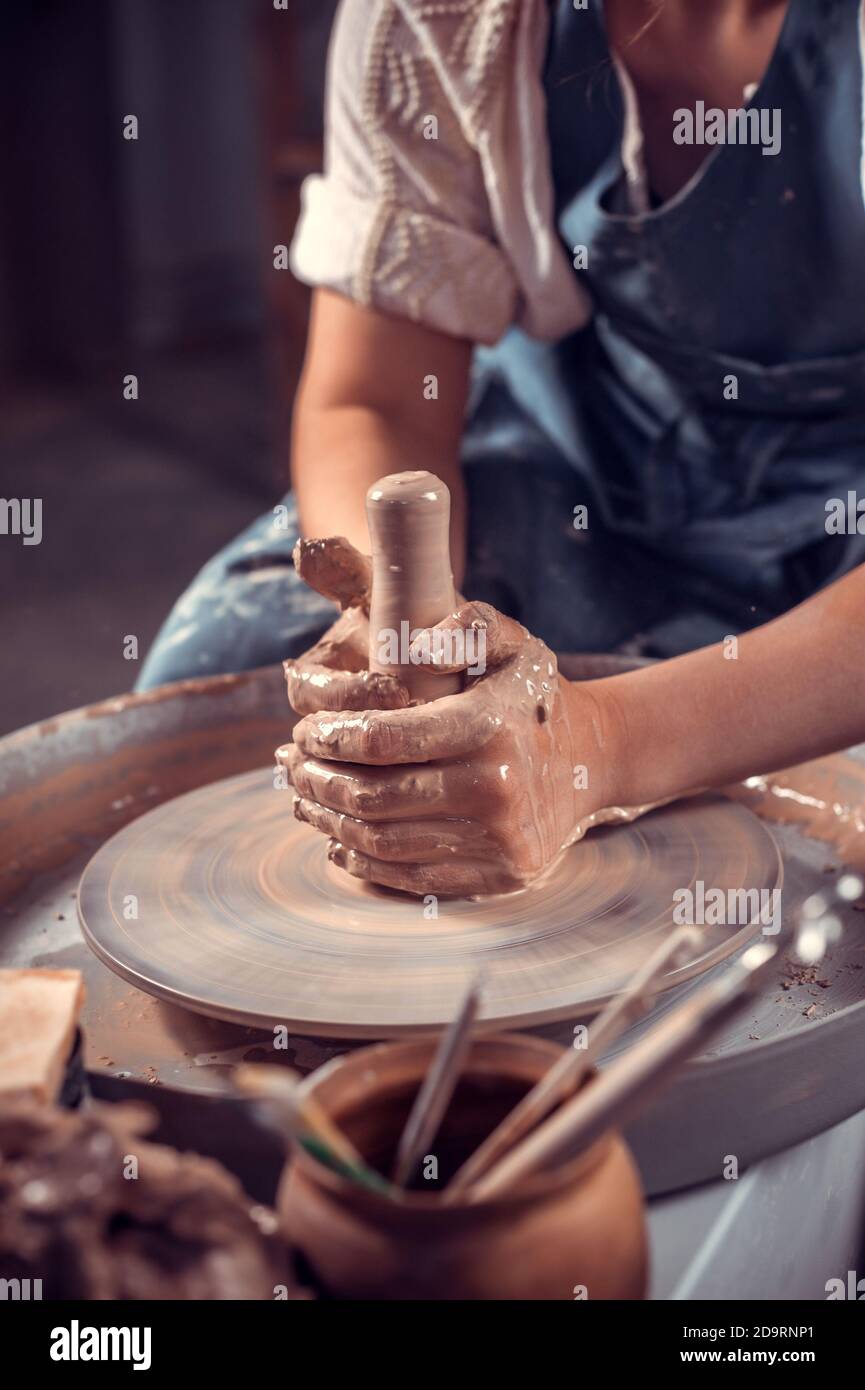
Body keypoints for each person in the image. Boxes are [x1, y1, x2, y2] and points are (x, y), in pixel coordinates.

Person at [138, 0, 865, 894]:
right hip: (586, 472)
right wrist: (405, 634)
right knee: (229, 686)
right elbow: (378, 394)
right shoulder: (442, 17)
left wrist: (598, 746)